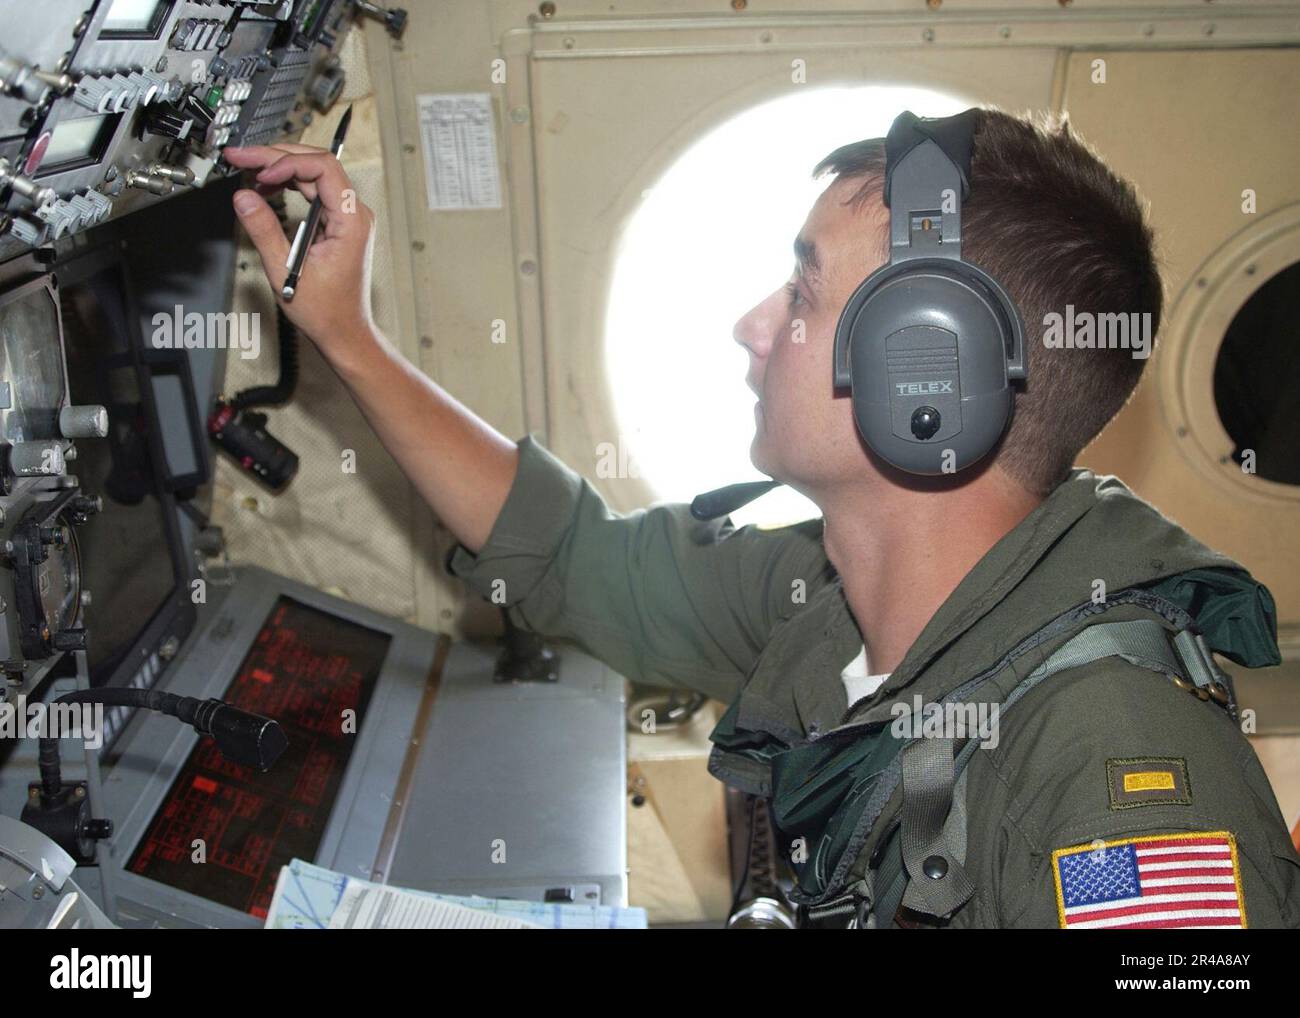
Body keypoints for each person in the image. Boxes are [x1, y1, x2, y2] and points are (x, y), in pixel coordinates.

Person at [223, 105, 1300, 928]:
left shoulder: (1125, 777)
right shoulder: (829, 603)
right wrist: (348, 335)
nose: (751, 325)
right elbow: (570, 558)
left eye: (801, 294)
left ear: (928, 378)